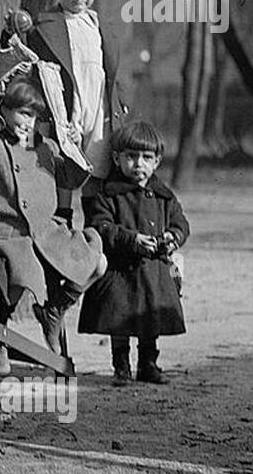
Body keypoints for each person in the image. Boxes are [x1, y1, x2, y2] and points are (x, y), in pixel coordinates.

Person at [0, 78, 106, 356]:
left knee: (98, 263)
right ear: (4, 110)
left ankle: (55, 309)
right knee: (21, 287)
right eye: (22, 113)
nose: (28, 122)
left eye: (33, 116)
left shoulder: (45, 145)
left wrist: (72, 146)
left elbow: (71, 178)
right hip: (11, 235)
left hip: (48, 232)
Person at [78, 121, 190, 384]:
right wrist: (131, 239)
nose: (138, 164)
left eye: (146, 158)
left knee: (151, 315)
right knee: (120, 317)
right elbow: (100, 226)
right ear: (117, 158)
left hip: (153, 268)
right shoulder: (109, 194)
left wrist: (172, 237)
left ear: (157, 162)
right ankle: (121, 366)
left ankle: (148, 363)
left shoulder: (164, 196)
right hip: (121, 269)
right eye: (131, 157)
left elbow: (180, 222)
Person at [27, 0, 129, 179]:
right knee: (65, 166)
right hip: (66, 106)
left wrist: (120, 101)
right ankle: (64, 213)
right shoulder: (45, 26)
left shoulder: (99, 25)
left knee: (99, 165)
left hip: (98, 105)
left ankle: (97, 213)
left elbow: (111, 70)